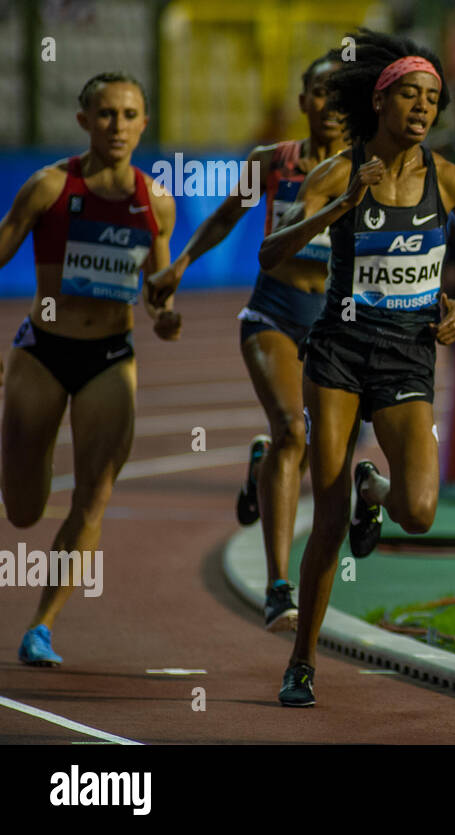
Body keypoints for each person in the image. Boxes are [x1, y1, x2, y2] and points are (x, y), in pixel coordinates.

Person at [258, 30, 455, 707]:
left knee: (418, 509)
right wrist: (339, 208)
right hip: (338, 350)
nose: (423, 108)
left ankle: (375, 491)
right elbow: (272, 253)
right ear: (382, 100)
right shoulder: (337, 171)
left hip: (407, 351)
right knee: (326, 517)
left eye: (433, 99)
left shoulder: (449, 180)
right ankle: (301, 660)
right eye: (411, 95)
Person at [145, 50, 348, 632]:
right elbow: (226, 217)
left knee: (328, 452)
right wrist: (179, 265)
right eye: (318, 93)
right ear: (303, 100)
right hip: (275, 311)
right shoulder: (273, 162)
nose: (328, 106)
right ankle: (277, 587)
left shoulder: (368, 167)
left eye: (340, 96)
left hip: (339, 320)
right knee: (291, 429)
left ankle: (264, 469)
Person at [0, 72, 181, 665]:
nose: (119, 126)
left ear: (145, 123)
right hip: (43, 352)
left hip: (110, 358)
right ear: (84, 121)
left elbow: (158, 288)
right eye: (106, 114)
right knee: (24, 509)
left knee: (92, 499)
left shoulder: (156, 202)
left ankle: (42, 627)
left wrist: (164, 314)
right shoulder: (49, 187)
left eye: (130, 115)